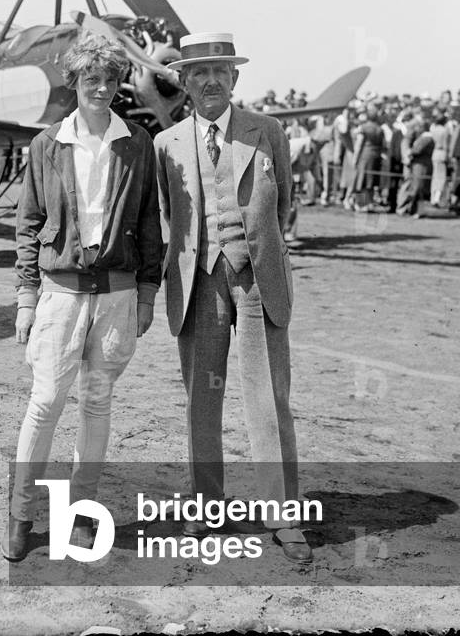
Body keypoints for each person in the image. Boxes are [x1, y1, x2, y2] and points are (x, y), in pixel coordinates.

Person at [3, 35, 162, 561]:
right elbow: (28, 224)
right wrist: (26, 297)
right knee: (45, 402)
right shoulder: (46, 144)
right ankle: (22, 514)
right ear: (74, 82)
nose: (100, 88)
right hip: (60, 295)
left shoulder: (138, 143)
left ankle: (83, 515)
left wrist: (146, 293)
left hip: (116, 296)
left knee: (97, 402)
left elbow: (148, 224)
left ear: (119, 85)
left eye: (110, 80)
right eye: (90, 79)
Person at [154, 32, 311, 564]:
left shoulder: (266, 133)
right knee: (202, 400)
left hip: (258, 281)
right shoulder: (166, 144)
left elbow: (282, 204)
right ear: (183, 82)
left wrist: (253, 252)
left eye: (220, 70)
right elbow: (170, 219)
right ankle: (206, 508)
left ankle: (283, 516)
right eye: (198, 72)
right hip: (198, 282)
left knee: (269, 399)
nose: (211, 80)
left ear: (236, 78)